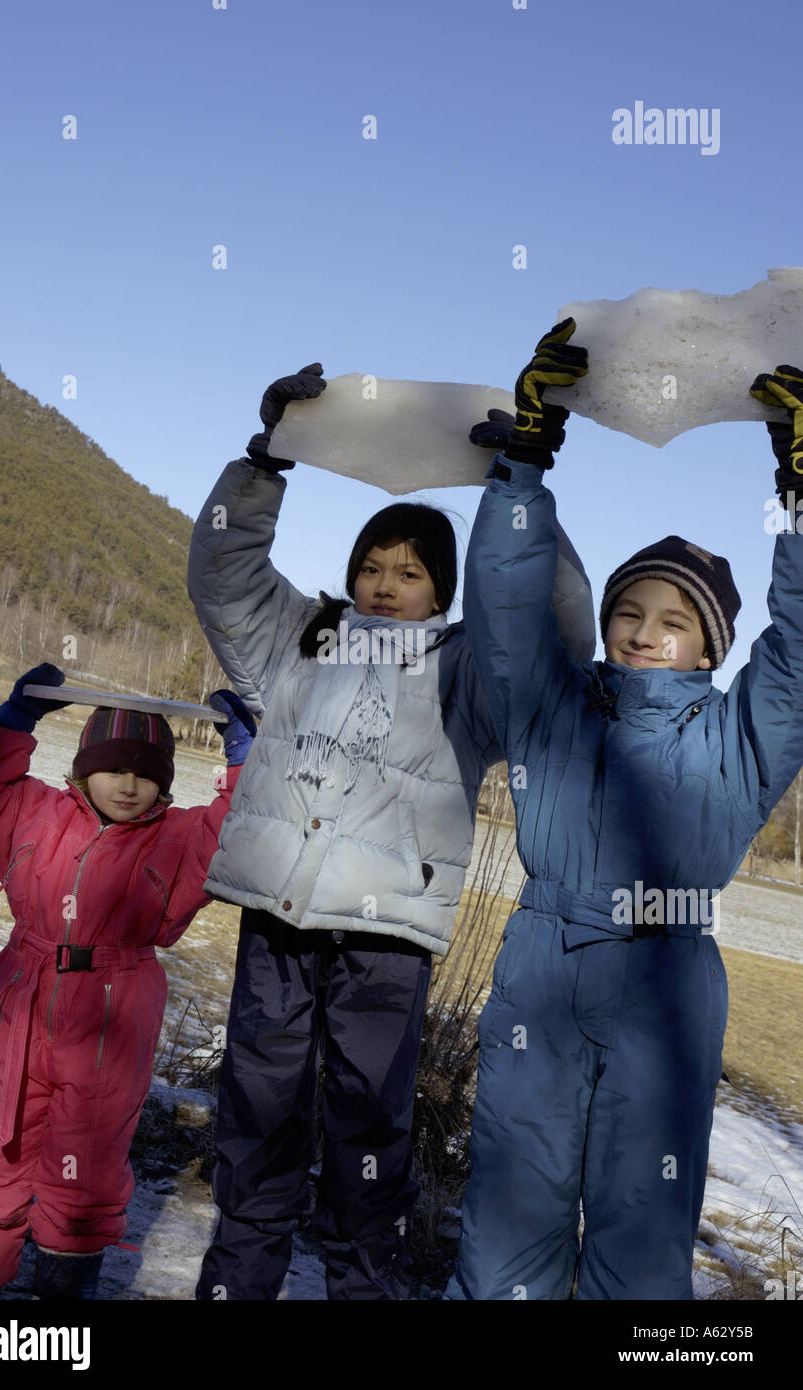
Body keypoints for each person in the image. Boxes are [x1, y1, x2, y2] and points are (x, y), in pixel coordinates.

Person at [186, 362, 597, 1300]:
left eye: (408, 573)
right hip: (279, 923)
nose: (382, 585)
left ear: (442, 590)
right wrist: (266, 462)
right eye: (371, 566)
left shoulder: (468, 674)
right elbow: (223, 574)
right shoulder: (301, 641)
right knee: (256, 1114)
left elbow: (561, 634)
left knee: (368, 1136)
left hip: (385, 940)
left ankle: (362, 1285)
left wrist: (523, 490)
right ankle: (234, 1283)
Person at [445, 321, 803, 1300]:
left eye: (674, 620)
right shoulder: (556, 712)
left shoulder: (744, 739)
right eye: (628, 612)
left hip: (668, 986)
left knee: (640, 1254)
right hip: (541, 977)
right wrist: (523, 468)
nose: (643, 632)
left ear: (711, 648)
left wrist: (801, 497)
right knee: (506, 1234)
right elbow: (509, 617)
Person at [0, 664, 255, 1300]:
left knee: (83, 1164)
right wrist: (13, 721)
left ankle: (62, 1308)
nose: (130, 784)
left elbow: (243, 829)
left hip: (116, 1016)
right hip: (18, 1009)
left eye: (147, 773)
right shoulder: (34, 813)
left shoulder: (179, 838)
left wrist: (247, 756)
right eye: (115, 768)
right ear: (84, 769)